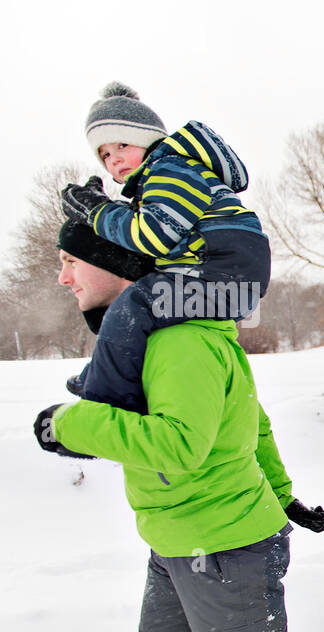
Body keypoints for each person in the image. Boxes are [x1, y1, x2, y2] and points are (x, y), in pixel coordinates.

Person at [32, 220, 324, 632]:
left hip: (225, 545)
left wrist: (72, 426)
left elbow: (179, 446)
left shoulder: (180, 342)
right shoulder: (151, 335)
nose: (62, 277)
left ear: (116, 266)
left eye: (71, 262)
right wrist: (284, 495)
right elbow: (251, 423)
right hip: (177, 542)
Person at [59, 82, 271, 414]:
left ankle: (107, 401)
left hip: (221, 281)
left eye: (122, 145)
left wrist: (97, 211)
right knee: (139, 307)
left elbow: (154, 236)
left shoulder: (170, 169)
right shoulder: (163, 175)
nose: (114, 160)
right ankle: (104, 376)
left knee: (132, 307)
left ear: (146, 137)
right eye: (105, 155)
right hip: (218, 280)